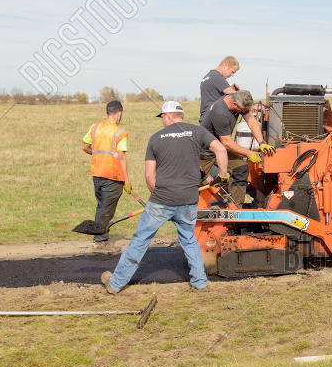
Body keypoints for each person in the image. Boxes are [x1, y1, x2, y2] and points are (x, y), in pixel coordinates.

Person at [102, 101, 228, 294]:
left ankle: (116, 284)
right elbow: (220, 149)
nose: (162, 121)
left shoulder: (155, 138)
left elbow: (149, 176)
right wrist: (223, 174)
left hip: (161, 199)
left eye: (162, 117)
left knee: (140, 240)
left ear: (167, 116)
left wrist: (157, 197)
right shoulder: (197, 132)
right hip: (189, 199)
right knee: (189, 240)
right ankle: (200, 283)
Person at [200, 87, 272, 207]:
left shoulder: (238, 99)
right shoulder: (220, 112)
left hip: (220, 147)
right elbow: (227, 143)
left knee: (241, 168)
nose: (242, 112)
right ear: (234, 104)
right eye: (242, 110)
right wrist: (249, 153)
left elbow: (251, 121)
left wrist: (262, 143)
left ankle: (235, 207)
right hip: (205, 151)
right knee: (200, 180)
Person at [82, 100, 131, 243]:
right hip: (113, 176)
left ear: (107, 113)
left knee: (101, 207)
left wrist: (98, 155)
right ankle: (100, 240)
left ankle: (99, 236)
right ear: (119, 113)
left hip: (97, 174)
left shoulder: (95, 127)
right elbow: (121, 157)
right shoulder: (121, 133)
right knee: (106, 210)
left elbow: (85, 147)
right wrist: (127, 181)